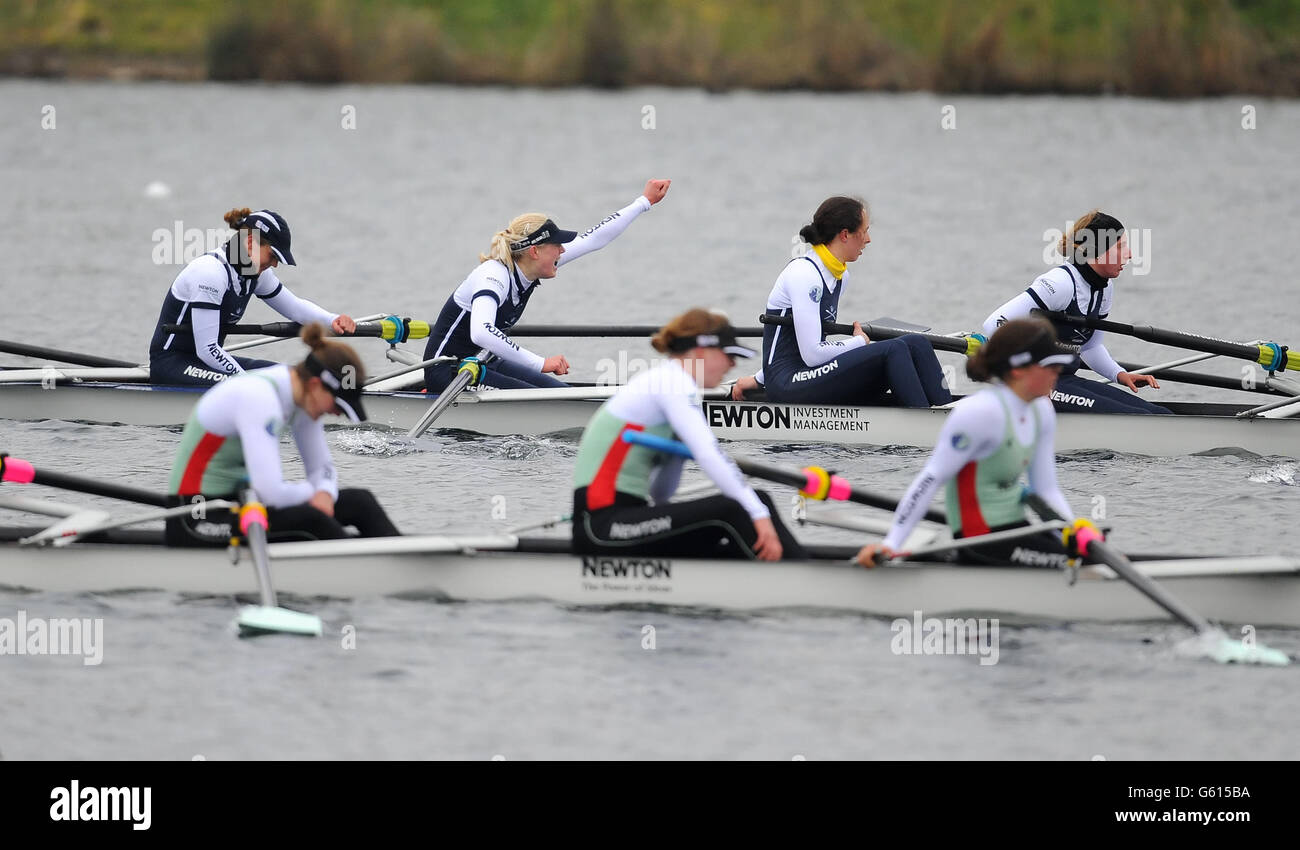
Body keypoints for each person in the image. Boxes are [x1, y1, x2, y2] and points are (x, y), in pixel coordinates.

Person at [855, 318, 1101, 569]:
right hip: (979, 539)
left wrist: (1070, 531)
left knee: (1091, 555)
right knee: (1083, 563)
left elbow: (1045, 490)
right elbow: (931, 478)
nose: (1057, 373)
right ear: (1018, 369)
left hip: (1015, 529)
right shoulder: (980, 413)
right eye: (1049, 366)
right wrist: (893, 543)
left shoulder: (1042, 411)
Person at [572, 309, 806, 561]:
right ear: (701, 351)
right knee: (737, 509)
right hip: (600, 527)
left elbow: (660, 494)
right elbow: (709, 455)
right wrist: (757, 515)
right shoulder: (671, 383)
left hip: (628, 518)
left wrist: (676, 455)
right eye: (728, 355)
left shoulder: (670, 385)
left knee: (758, 501)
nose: (733, 365)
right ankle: (799, 580)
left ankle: (791, 570)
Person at [422, 178, 671, 392]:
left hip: (480, 363)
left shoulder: (528, 269)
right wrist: (540, 363)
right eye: (557, 245)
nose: (563, 250)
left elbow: (593, 239)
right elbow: (482, 332)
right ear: (534, 251)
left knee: (563, 395)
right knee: (551, 403)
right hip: (448, 374)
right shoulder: (493, 276)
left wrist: (644, 202)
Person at [165, 324, 398, 546]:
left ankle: (403, 561)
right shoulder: (260, 398)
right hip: (197, 516)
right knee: (311, 519)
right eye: (337, 404)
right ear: (316, 385)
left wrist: (325, 492)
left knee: (360, 502)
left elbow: (321, 469)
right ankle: (362, 574)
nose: (336, 413)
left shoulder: (302, 397)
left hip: (245, 507)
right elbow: (271, 492)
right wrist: (314, 494)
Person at [730, 195, 951, 407]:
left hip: (809, 374)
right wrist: (858, 342)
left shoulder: (840, 276)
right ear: (845, 235)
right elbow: (812, 353)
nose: (868, 239)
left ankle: (945, 412)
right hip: (787, 382)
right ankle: (925, 427)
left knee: (916, 342)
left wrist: (758, 379)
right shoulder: (805, 274)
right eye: (864, 232)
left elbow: (797, 341)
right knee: (893, 350)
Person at [982, 210, 1169, 414]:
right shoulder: (1060, 283)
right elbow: (995, 324)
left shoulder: (1105, 289)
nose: (1130, 254)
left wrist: (1120, 374)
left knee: (1160, 413)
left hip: (1066, 380)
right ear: (1097, 251)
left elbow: (1089, 346)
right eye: (1121, 247)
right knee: (1139, 417)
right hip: (1040, 385)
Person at [149, 208, 357, 386]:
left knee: (291, 377)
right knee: (260, 384)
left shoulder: (256, 274)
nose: (275, 264)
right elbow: (207, 349)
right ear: (250, 244)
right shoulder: (210, 273)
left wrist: (332, 320)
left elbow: (295, 308)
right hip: (172, 363)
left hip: (207, 363)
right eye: (273, 256)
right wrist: (247, 382)